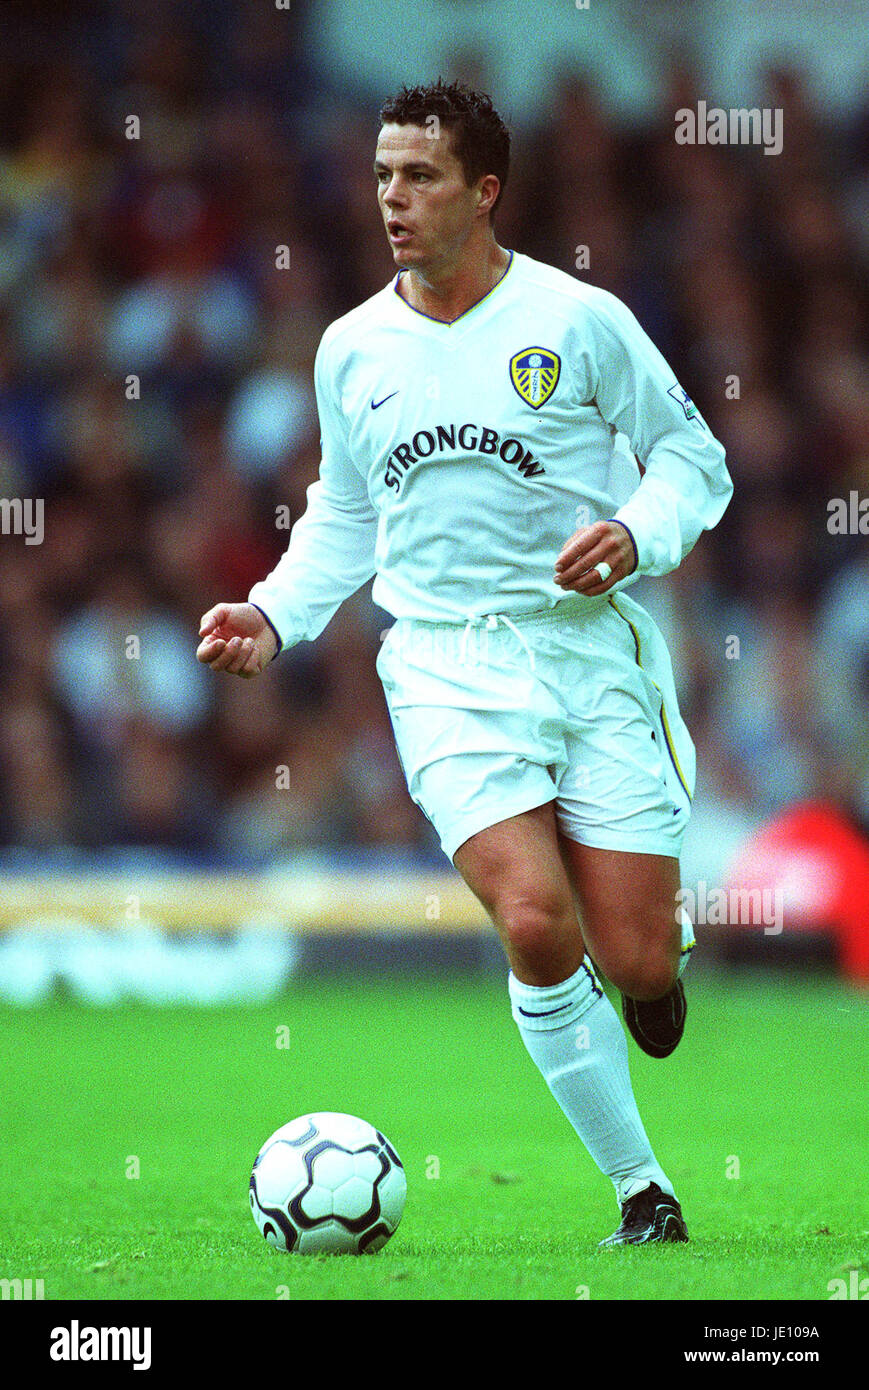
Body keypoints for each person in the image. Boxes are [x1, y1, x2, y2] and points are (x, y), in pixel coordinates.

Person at [197, 80, 733, 1247]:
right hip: (442, 665)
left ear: (483, 190)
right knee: (536, 922)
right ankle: (642, 1190)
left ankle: (650, 974)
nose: (393, 195)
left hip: (586, 655)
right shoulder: (350, 349)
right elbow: (344, 512)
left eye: (420, 174)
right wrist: (274, 615)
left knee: (633, 957)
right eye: (384, 173)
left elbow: (693, 460)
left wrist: (637, 532)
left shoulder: (578, 321)